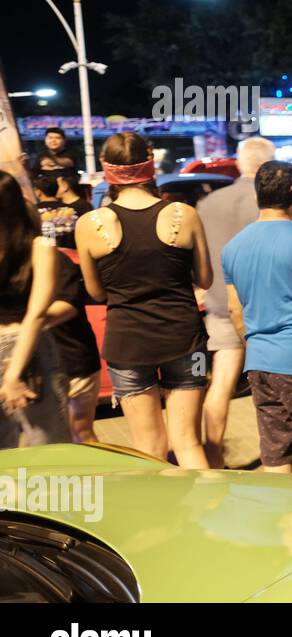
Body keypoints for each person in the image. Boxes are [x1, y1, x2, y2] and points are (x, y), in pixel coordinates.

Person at [74, 133, 211, 467]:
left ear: (108, 170)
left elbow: (95, 292)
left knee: (149, 446)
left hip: (127, 345)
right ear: (150, 165)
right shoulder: (183, 214)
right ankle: (208, 517)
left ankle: (162, 518)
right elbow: (205, 279)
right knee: (190, 442)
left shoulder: (89, 224)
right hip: (187, 339)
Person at [223, 161, 292, 475]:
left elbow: (234, 310)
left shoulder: (232, 248)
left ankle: (283, 519)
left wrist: (256, 343)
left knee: (276, 454)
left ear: (258, 197)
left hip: (260, 362)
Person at [196, 136, 274, 468]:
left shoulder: (209, 202)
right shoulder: (269, 202)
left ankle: (213, 456)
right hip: (268, 307)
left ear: (240, 163)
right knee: (274, 386)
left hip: (220, 303)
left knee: (221, 383)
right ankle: (281, 455)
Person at [0, 170, 68, 449]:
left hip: (29, 351)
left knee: (48, 451)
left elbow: (36, 315)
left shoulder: (39, 248)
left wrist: (13, 373)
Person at [45, 249, 103, 444]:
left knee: (79, 432)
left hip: (71, 363)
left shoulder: (52, 259)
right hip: (30, 367)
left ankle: (95, 474)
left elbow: (68, 305)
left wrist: (25, 321)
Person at [34, 172, 91, 249]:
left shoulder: (34, 211)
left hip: (44, 256)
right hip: (72, 255)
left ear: (38, 192)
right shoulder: (72, 210)